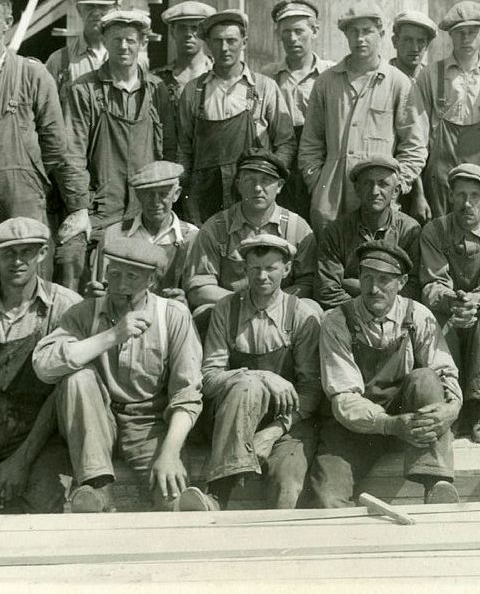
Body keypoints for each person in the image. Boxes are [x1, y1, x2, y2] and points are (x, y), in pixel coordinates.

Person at [33, 233, 202, 512]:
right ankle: (97, 488)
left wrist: (170, 452)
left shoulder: (172, 315)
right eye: (115, 273)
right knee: (77, 377)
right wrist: (112, 335)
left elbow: (187, 393)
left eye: (132, 277)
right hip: (96, 423)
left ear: (152, 281)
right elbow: (43, 365)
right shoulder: (86, 312)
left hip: (149, 423)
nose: (120, 284)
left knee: (169, 493)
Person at [309, 241, 461, 507]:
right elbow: (343, 398)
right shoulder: (338, 320)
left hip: (409, 422)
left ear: (401, 282)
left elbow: (445, 371)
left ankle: (436, 483)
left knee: (425, 378)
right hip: (352, 429)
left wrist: (453, 408)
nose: (373, 288)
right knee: (327, 496)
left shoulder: (418, 315)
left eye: (383, 280)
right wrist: (389, 424)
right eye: (366, 277)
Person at [182, 234, 324, 511]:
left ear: (286, 270)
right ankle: (218, 494)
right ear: (244, 270)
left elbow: (311, 392)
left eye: (270, 268)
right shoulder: (226, 309)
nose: (262, 276)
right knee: (248, 383)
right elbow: (209, 378)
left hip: (287, 423)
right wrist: (263, 376)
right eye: (254, 268)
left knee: (287, 484)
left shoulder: (302, 315)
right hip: (230, 418)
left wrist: (272, 432)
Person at [60, 9, 177, 289]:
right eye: (116, 40)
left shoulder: (156, 90)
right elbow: (72, 153)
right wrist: (80, 208)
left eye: (130, 40)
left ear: (142, 43)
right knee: (69, 259)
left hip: (146, 208)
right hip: (99, 207)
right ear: (105, 41)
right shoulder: (84, 90)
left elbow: (169, 151)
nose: (123, 46)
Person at [298, 4, 428, 232]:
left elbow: (415, 146)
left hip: (379, 199)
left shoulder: (398, 83)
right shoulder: (326, 82)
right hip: (331, 200)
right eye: (353, 32)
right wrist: (318, 184)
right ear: (346, 35)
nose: (360, 39)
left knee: (377, 260)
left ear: (382, 35)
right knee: (332, 261)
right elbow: (310, 143)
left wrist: (396, 186)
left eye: (367, 31)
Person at [0, 0, 91, 281]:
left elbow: (55, 147)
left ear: (7, 21)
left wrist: (24, 176)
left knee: (27, 269)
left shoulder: (31, 75)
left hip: (21, 195)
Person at [418, 163, 480, 443]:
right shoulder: (434, 231)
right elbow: (432, 282)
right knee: (435, 320)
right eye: (460, 195)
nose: (467, 203)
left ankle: (479, 408)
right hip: (450, 304)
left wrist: (477, 299)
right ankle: (450, 405)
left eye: (474, 196)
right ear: (450, 197)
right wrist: (452, 301)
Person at [176, 9, 296, 225]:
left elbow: (286, 142)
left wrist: (271, 178)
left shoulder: (263, 87)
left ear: (244, 42)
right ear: (208, 45)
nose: (224, 48)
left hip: (253, 191)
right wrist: (185, 188)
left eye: (231, 40)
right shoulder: (194, 90)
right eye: (217, 41)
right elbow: (184, 147)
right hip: (205, 195)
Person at [0, 218, 79, 513]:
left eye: (27, 252)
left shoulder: (66, 307)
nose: (18, 261)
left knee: (40, 503)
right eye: (8, 253)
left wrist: (20, 461)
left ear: (43, 253)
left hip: (41, 439)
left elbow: (62, 393)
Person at [185, 152, 316, 329]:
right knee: (203, 313)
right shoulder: (216, 227)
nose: (257, 188)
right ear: (238, 185)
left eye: (266, 180)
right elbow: (199, 288)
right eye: (249, 180)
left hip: (282, 310)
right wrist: (245, 303)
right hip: (231, 310)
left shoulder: (296, 227)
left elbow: (307, 283)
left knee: (312, 309)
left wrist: (272, 302)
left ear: (279, 186)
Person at [415, 1, 480, 220]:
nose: (466, 39)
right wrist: (419, 193)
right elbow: (416, 138)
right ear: (450, 36)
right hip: (439, 175)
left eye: (472, 32)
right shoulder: (430, 74)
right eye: (459, 33)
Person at [260, 0, 334, 223]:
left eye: (299, 31)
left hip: (321, 160)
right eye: (285, 32)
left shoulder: (331, 74)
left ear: (315, 31)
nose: (292, 39)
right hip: (282, 163)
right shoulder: (267, 76)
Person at [316, 157, 423, 309]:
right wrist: (364, 312)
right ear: (357, 189)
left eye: (383, 184)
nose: (374, 191)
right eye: (367, 183)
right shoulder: (336, 231)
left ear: (396, 191)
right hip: (350, 316)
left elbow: (413, 288)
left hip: (394, 317)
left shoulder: (409, 230)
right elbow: (327, 290)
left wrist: (355, 286)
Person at [86, 161, 199, 303]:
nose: (155, 202)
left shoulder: (192, 237)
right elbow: (100, 287)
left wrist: (185, 301)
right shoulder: (115, 234)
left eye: (163, 194)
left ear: (176, 194)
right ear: (138, 195)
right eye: (148, 194)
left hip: (170, 319)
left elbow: (196, 291)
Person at [44, 0, 123, 94]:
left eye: (103, 7)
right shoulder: (59, 61)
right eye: (90, 7)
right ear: (79, 10)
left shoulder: (128, 58)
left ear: (117, 9)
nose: (96, 13)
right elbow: (47, 109)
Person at [153, 0, 215, 106]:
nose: (188, 34)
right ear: (172, 32)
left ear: (205, 33)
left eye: (194, 28)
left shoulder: (218, 73)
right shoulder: (157, 80)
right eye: (182, 28)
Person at [390, 11, 438, 83]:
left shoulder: (434, 82)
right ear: (395, 42)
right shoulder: (381, 80)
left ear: (427, 45)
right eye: (408, 40)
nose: (415, 48)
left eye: (420, 41)